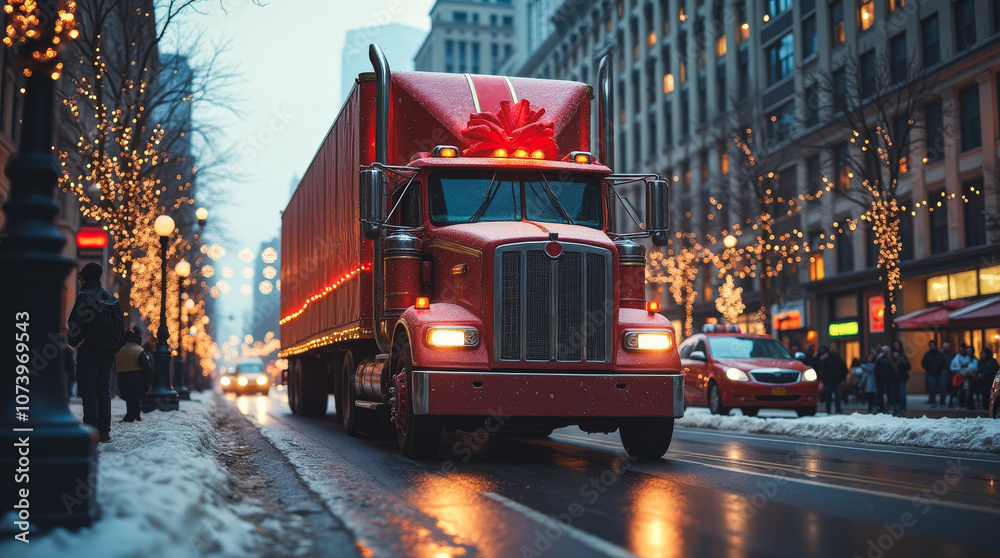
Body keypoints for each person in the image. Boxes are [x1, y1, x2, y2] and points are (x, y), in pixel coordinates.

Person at [67, 262, 123, 443]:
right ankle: (104, 432)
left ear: (84, 278)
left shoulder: (84, 296)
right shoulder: (112, 299)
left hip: (88, 353)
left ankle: (90, 431)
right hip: (107, 354)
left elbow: (75, 325)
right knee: (103, 392)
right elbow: (120, 327)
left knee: (88, 392)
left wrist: (73, 342)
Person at [116, 327, 153, 422]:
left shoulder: (119, 350)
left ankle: (131, 415)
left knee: (129, 398)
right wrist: (149, 382)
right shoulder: (139, 350)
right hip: (136, 377)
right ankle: (134, 416)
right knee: (135, 398)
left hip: (122, 377)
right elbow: (146, 367)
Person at [819, 344, 849, 414]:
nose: (833, 349)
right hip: (829, 381)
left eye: (835, 348)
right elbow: (822, 370)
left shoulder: (838, 359)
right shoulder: (827, 359)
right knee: (829, 396)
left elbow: (845, 370)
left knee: (837, 396)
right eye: (832, 348)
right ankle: (829, 410)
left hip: (836, 381)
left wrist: (842, 378)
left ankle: (836, 410)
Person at [921, 340, 947, 408]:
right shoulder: (927, 354)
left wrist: (940, 368)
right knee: (932, 388)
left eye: (933, 345)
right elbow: (923, 363)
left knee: (942, 388)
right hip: (931, 373)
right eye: (931, 345)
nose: (932, 346)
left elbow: (944, 362)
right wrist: (928, 370)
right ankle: (933, 402)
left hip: (939, 373)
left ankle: (942, 402)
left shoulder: (940, 354)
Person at [890, 340, 911, 416]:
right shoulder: (890, 356)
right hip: (893, 378)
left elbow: (908, 366)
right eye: (895, 345)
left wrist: (899, 358)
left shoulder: (903, 355)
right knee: (894, 394)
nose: (896, 347)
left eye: (897, 345)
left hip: (902, 377)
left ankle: (902, 408)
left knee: (902, 394)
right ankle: (895, 408)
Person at [874, 346, 893, 414]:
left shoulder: (890, 359)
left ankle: (886, 407)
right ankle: (881, 407)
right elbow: (877, 370)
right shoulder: (879, 359)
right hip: (881, 379)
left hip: (887, 379)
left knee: (888, 394)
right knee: (881, 394)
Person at [862, 348, 879, 412]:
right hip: (869, 385)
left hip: (872, 385)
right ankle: (870, 409)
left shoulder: (874, 366)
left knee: (873, 398)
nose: (870, 358)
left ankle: (872, 409)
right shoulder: (866, 367)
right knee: (870, 399)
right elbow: (864, 377)